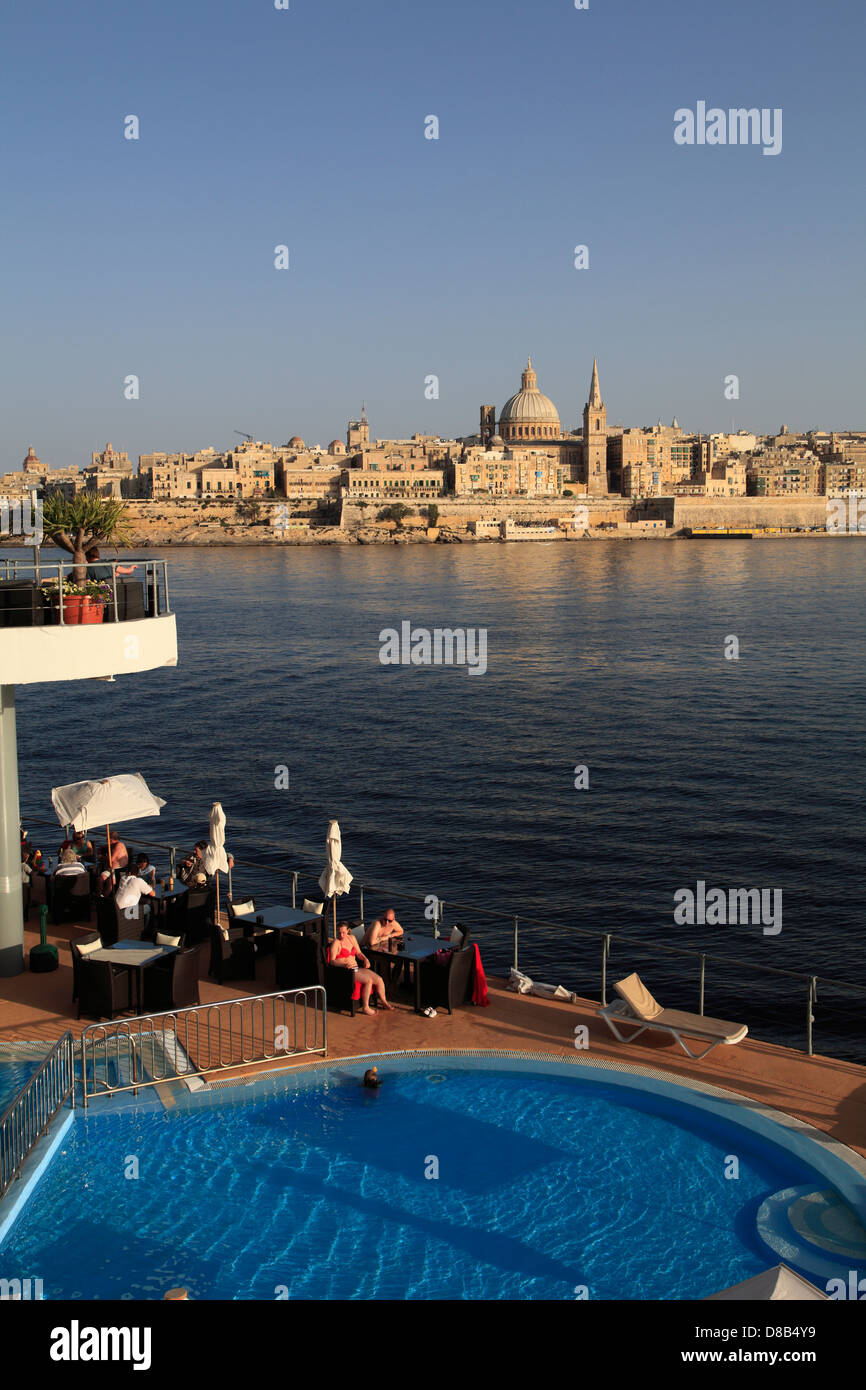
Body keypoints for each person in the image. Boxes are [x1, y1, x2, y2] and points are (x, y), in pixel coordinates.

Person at [329, 921, 394, 1015]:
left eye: (343, 932)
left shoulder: (352, 938)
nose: (341, 935)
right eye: (339, 933)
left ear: (348, 931)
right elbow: (332, 961)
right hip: (347, 971)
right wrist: (343, 965)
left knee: (379, 979)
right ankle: (365, 1007)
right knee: (368, 980)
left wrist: (365, 959)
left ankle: (384, 1002)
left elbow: (359, 953)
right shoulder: (336, 943)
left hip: (356, 968)